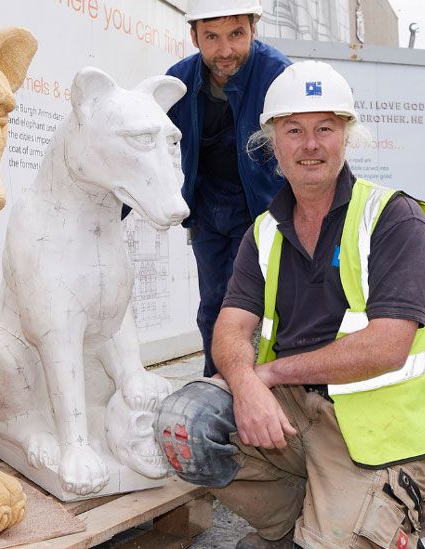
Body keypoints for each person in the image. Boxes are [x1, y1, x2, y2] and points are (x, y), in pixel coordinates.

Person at [154, 61, 425, 548]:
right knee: (184, 423)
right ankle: (295, 525)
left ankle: (385, 511)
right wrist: (245, 382)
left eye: (325, 128)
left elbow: (388, 345)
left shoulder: (393, 218)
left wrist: (270, 376)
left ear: (347, 135)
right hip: (294, 417)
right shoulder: (264, 231)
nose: (310, 144)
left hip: (374, 432)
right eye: (294, 130)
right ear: (272, 142)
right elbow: (230, 327)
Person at [166, 0, 291, 377]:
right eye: (211, 37)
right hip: (206, 211)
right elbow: (151, 146)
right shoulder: (178, 81)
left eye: (236, 34)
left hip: (259, 212)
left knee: (247, 308)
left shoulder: (278, 76)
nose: (224, 51)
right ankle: (215, 386)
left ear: (254, 28)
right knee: (211, 306)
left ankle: (254, 391)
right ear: (194, 36)